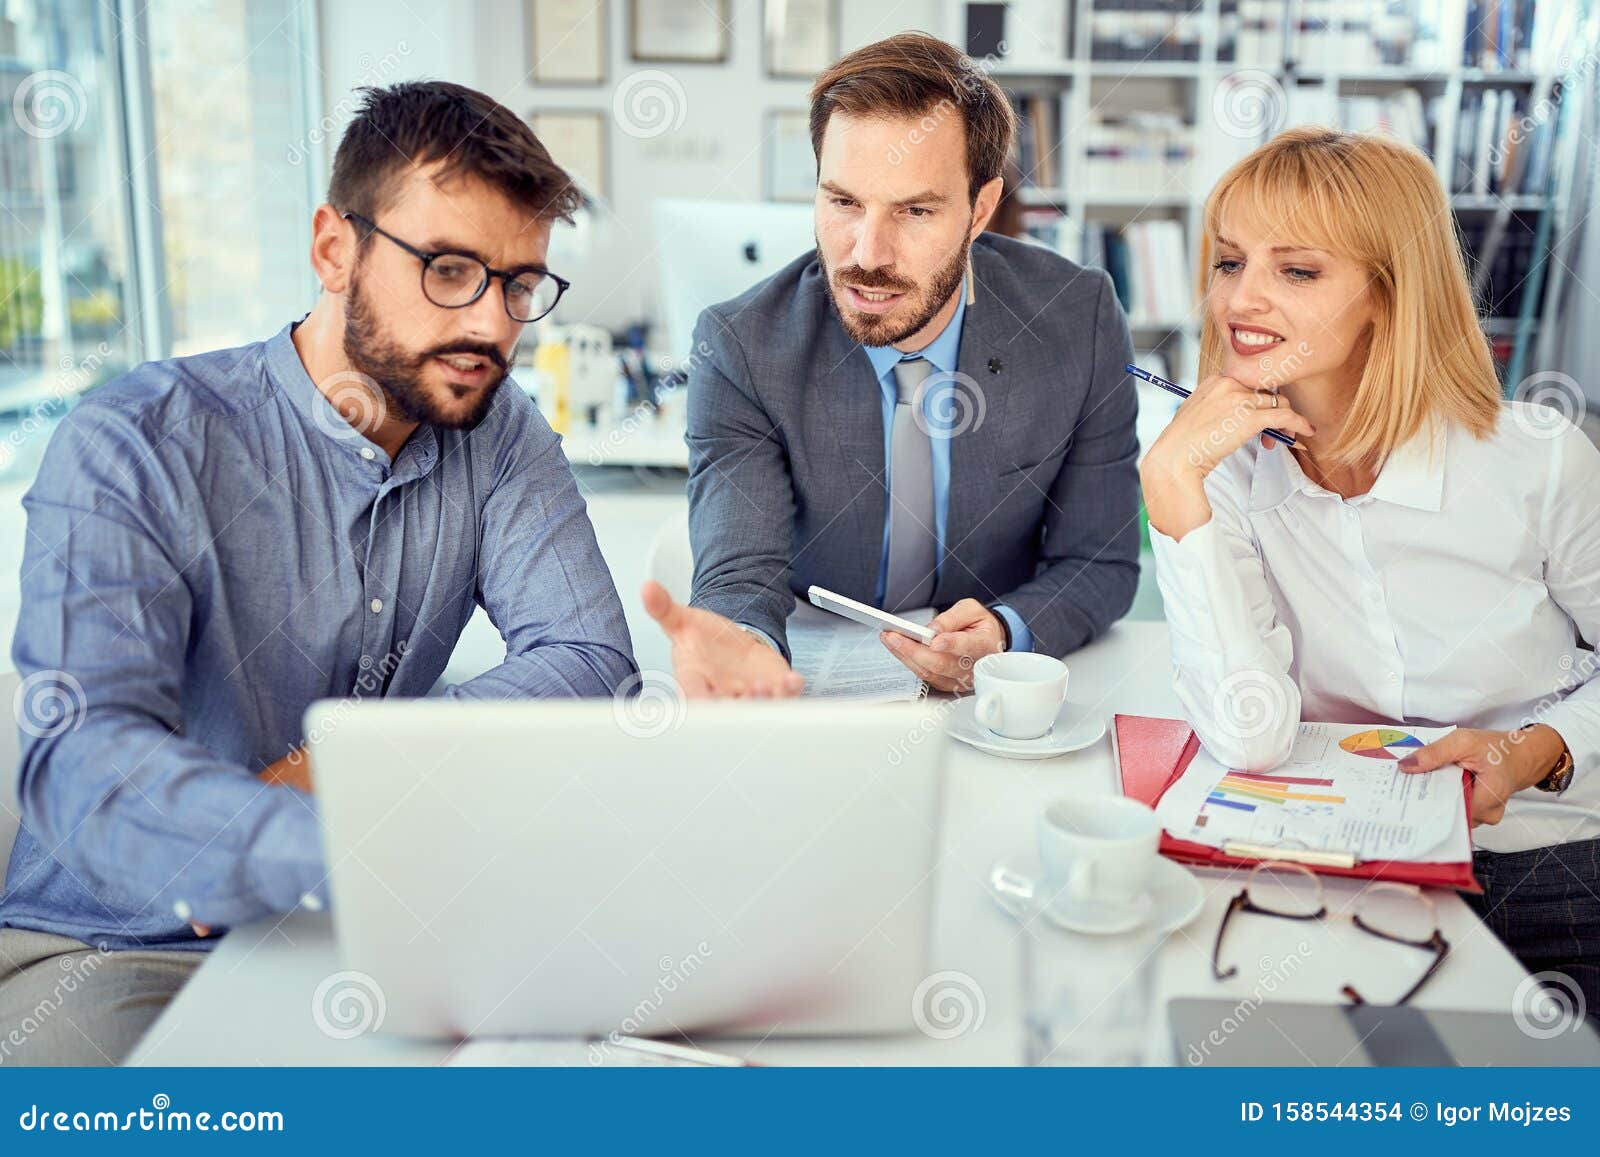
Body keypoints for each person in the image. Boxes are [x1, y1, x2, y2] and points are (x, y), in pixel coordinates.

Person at [0, 81, 636, 1064]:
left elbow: (589, 655)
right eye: (451, 268)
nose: (493, 326)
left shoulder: (497, 430)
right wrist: (315, 841)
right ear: (334, 248)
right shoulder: (133, 441)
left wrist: (346, 762)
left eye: (517, 285)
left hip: (372, 930)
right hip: (122, 944)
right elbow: (81, 763)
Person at [1141, 125, 1600, 1013]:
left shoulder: (1537, 459)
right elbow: (1250, 734)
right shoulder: (1219, 474)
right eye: (1231, 262)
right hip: (1328, 865)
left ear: (1390, 296)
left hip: (1539, 862)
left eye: (1298, 271)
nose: (1244, 297)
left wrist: (1529, 751)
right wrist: (1170, 482)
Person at [643, 32, 1141, 697]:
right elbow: (741, 576)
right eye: (844, 202)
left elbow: (1099, 561)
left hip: (996, 697)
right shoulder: (742, 346)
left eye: (914, 210)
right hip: (816, 680)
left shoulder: (1078, 318)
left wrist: (1004, 630)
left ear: (980, 210)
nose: (866, 254)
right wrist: (746, 645)